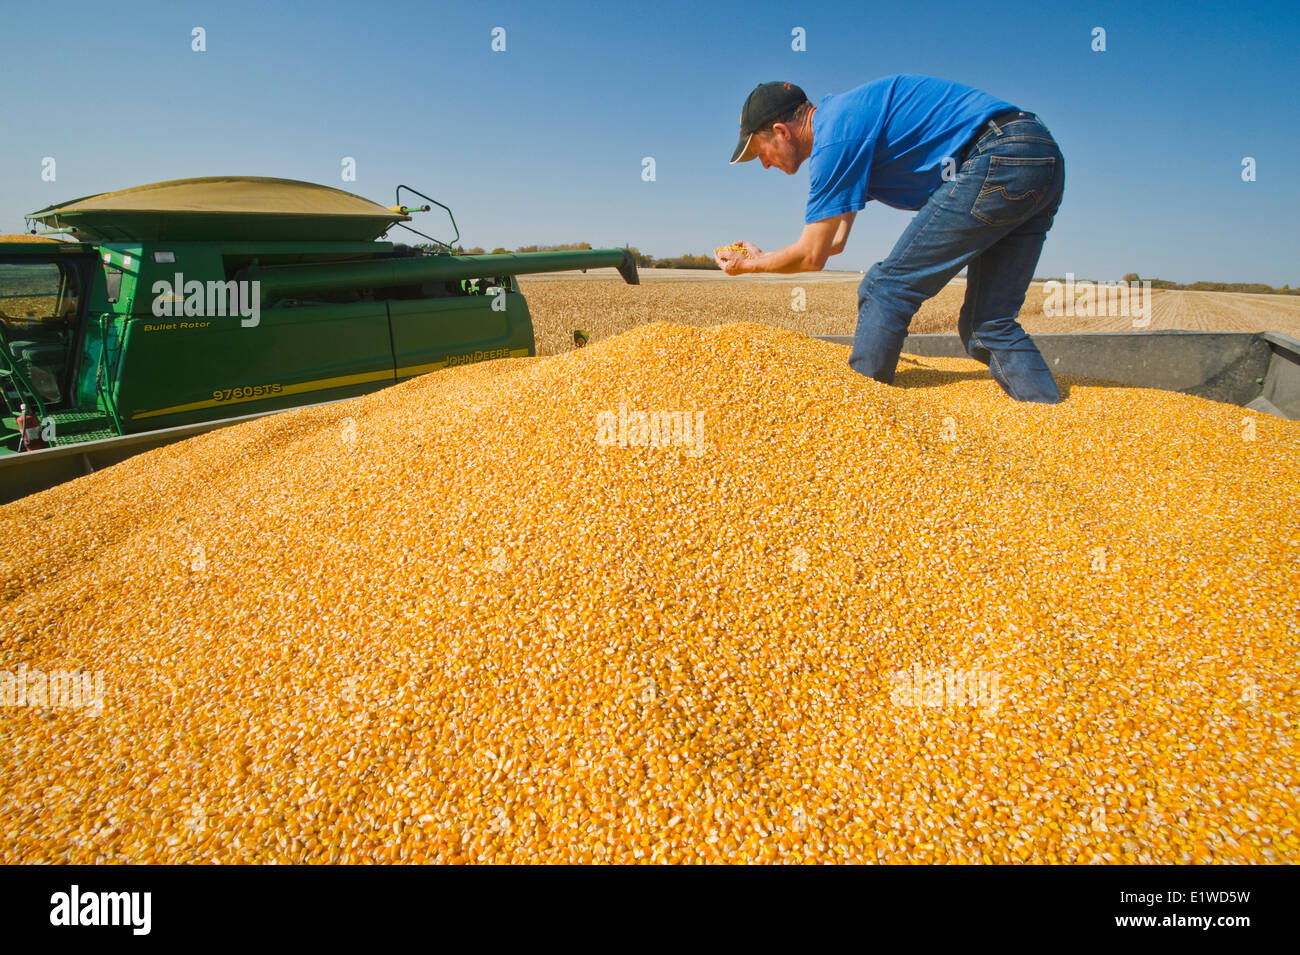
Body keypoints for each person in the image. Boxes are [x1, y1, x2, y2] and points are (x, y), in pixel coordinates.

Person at [717, 76, 1066, 403]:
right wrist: (760, 257)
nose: (763, 164)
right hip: (1037, 155)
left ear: (780, 131)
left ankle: (864, 416)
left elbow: (811, 257)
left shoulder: (835, 139)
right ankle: (1052, 422)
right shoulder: (845, 127)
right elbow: (833, 243)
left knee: (885, 288)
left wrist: (750, 265)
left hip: (996, 156)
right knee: (989, 323)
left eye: (759, 151)